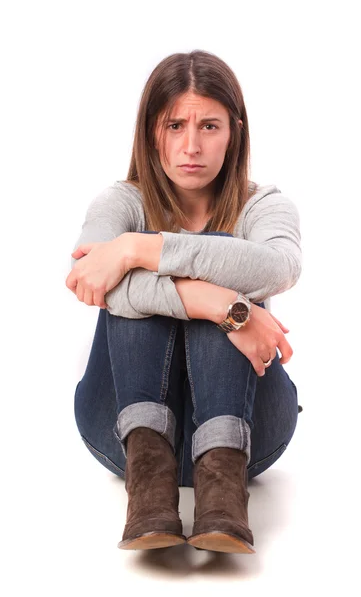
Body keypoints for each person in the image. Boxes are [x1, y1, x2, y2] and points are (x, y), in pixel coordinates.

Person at [66, 49, 302, 555]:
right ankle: (148, 494)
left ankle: (224, 498)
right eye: (175, 126)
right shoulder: (119, 203)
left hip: (251, 434)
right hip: (120, 432)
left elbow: (278, 267)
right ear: (153, 131)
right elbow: (91, 281)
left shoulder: (265, 205)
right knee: (188, 293)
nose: (191, 146)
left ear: (234, 131)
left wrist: (137, 249)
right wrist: (223, 306)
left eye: (210, 126)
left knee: (194, 262)